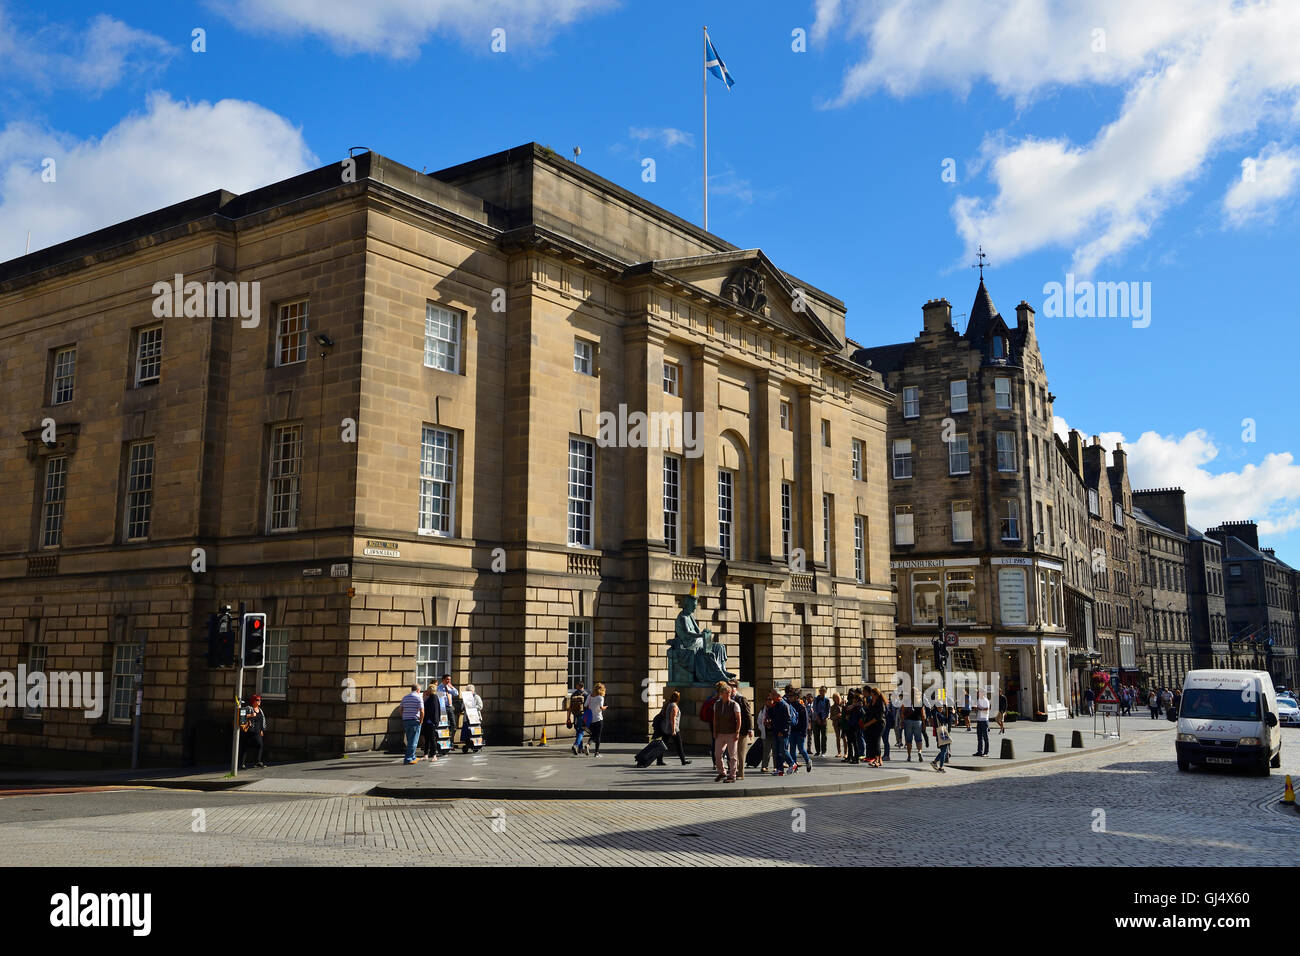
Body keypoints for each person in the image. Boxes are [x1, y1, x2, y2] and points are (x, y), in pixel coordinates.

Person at [712, 683, 742, 782]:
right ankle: (722, 772)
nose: (728, 694)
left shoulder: (734, 704)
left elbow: (739, 719)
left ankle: (732, 775)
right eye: (726, 692)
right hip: (720, 732)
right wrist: (715, 731)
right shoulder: (717, 704)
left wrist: (737, 732)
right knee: (717, 754)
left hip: (731, 733)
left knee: (732, 755)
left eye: (729, 692)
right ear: (721, 694)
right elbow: (715, 719)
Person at [656, 690, 691, 766]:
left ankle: (659, 760)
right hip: (673, 729)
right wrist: (673, 730)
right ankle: (683, 760)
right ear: (678, 698)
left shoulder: (668, 704)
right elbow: (673, 719)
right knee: (679, 745)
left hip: (666, 728)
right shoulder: (674, 706)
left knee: (663, 744)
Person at [728, 679, 753, 780]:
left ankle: (741, 773)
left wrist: (750, 729)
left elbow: (748, 715)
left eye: (733, 686)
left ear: (736, 688)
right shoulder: (728, 699)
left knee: (740, 752)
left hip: (742, 730)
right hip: (731, 730)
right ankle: (734, 771)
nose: (731, 688)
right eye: (729, 686)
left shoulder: (741, 699)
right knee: (732, 752)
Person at [765, 689, 794, 776]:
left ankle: (792, 764)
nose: (770, 696)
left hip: (782, 732)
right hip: (775, 731)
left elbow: (788, 720)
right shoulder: (775, 704)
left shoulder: (784, 705)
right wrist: (769, 722)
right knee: (777, 752)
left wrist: (783, 731)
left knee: (783, 750)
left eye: (772, 694)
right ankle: (779, 770)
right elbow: (772, 716)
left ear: (777, 695)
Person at [786, 686, 812, 772]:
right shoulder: (789, 706)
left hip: (800, 732)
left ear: (796, 697)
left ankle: (808, 761)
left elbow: (805, 721)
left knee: (801, 748)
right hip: (792, 731)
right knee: (792, 749)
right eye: (789, 696)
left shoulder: (802, 707)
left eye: (791, 696)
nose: (789, 697)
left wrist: (804, 732)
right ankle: (794, 766)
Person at [240, 695, 268, 769]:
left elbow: (262, 720)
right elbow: (241, 716)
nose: (259, 701)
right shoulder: (248, 708)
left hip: (257, 731)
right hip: (249, 730)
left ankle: (257, 762)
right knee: (246, 747)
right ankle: (242, 764)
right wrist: (251, 715)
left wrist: (262, 730)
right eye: (258, 700)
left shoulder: (260, 710)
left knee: (259, 745)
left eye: (260, 700)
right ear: (253, 701)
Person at [400, 683, 424, 765]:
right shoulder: (418, 697)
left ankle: (413, 756)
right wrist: (421, 720)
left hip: (406, 720)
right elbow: (422, 711)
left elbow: (400, 709)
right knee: (413, 741)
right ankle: (408, 759)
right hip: (415, 720)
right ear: (418, 690)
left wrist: (403, 717)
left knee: (410, 740)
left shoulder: (405, 697)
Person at [861, 687, 884, 767]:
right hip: (872, 725)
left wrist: (867, 724)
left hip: (879, 724)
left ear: (876, 695)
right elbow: (867, 711)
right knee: (873, 742)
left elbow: (877, 717)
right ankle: (879, 760)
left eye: (872, 694)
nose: (871, 695)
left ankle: (877, 760)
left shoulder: (880, 703)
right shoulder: (871, 702)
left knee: (876, 742)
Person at [901, 693, 925, 762]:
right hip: (918, 721)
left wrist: (902, 721)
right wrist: (924, 723)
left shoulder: (906, 701)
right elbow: (923, 714)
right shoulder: (919, 702)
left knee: (908, 740)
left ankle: (909, 756)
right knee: (918, 739)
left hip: (908, 721)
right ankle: (919, 751)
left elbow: (902, 712)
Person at [585, 682, 607, 757]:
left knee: (593, 735)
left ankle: (588, 744)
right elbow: (601, 707)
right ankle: (596, 752)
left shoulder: (589, 696)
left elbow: (585, 705)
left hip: (590, 719)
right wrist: (605, 708)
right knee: (598, 736)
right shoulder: (600, 698)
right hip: (598, 719)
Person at [421, 684, 442, 760]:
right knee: (427, 739)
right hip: (427, 721)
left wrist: (434, 721)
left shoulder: (434, 697)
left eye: (428, 689)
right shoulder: (429, 697)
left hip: (431, 722)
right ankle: (425, 754)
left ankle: (434, 755)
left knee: (432, 739)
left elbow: (435, 710)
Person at [568, 681, 589, 754]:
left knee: (578, 731)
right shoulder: (586, 695)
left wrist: (568, 718)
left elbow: (570, 707)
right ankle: (576, 745)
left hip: (575, 715)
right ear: (583, 686)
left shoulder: (574, 694)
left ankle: (580, 748)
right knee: (581, 731)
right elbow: (588, 708)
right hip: (583, 716)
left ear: (578, 686)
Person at [930, 702, 952, 773]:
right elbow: (947, 720)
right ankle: (940, 767)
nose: (942, 708)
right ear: (937, 707)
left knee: (943, 750)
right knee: (944, 751)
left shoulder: (935, 713)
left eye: (942, 707)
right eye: (941, 707)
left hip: (939, 733)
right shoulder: (938, 714)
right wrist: (951, 713)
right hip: (941, 733)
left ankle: (934, 762)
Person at [812, 687, 831, 756]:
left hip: (824, 719)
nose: (821, 692)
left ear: (825, 692)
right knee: (816, 736)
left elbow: (828, 710)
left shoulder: (827, 700)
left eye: (823, 691)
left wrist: (826, 718)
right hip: (816, 719)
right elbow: (814, 709)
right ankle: (817, 751)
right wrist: (818, 718)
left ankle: (823, 751)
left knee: (824, 736)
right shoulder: (816, 699)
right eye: (820, 691)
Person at [973, 687, 991, 757]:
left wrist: (978, 708)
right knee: (979, 737)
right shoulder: (978, 700)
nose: (978, 693)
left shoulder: (986, 700)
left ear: (983, 693)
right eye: (978, 692)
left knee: (985, 737)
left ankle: (986, 752)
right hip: (979, 720)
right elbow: (977, 709)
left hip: (984, 720)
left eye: (980, 692)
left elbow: (987, 709)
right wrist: (975, 709)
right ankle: (979, 751)